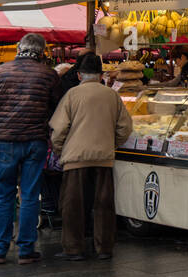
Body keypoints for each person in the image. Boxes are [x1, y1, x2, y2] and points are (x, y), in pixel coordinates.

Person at [0, 33, 60, 265]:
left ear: (19, 48)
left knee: (3, 194)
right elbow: (57, 109)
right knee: (29, 195)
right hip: (35, 141)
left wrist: (2, 119)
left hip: (5, 141)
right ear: (42, 51)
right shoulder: (49, 75)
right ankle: (26, 250)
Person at [49, 53, 133, 260]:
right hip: (103, 157)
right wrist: (111, 144)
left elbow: (58, 130)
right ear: (101, 74)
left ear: (78, 75)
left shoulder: (72, 95)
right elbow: (125, 127)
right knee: (104, 205)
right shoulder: (111, 95)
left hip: (75, 158)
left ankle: (74, 248)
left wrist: (61, 149)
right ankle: (104, 248)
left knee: (72, 205)